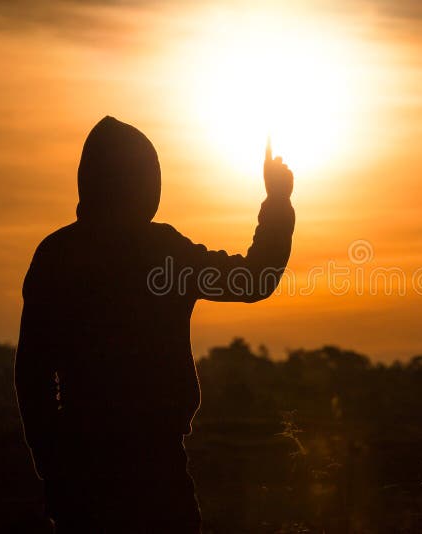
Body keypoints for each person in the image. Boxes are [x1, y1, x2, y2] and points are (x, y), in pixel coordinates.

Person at [15, 116, 295, 532]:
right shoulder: (162, 253)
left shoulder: (57, 255)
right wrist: (277, 201)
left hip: (86, 473)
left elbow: (32, 376)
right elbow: (255, 278)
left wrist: (54, 467)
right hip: (150, 469)